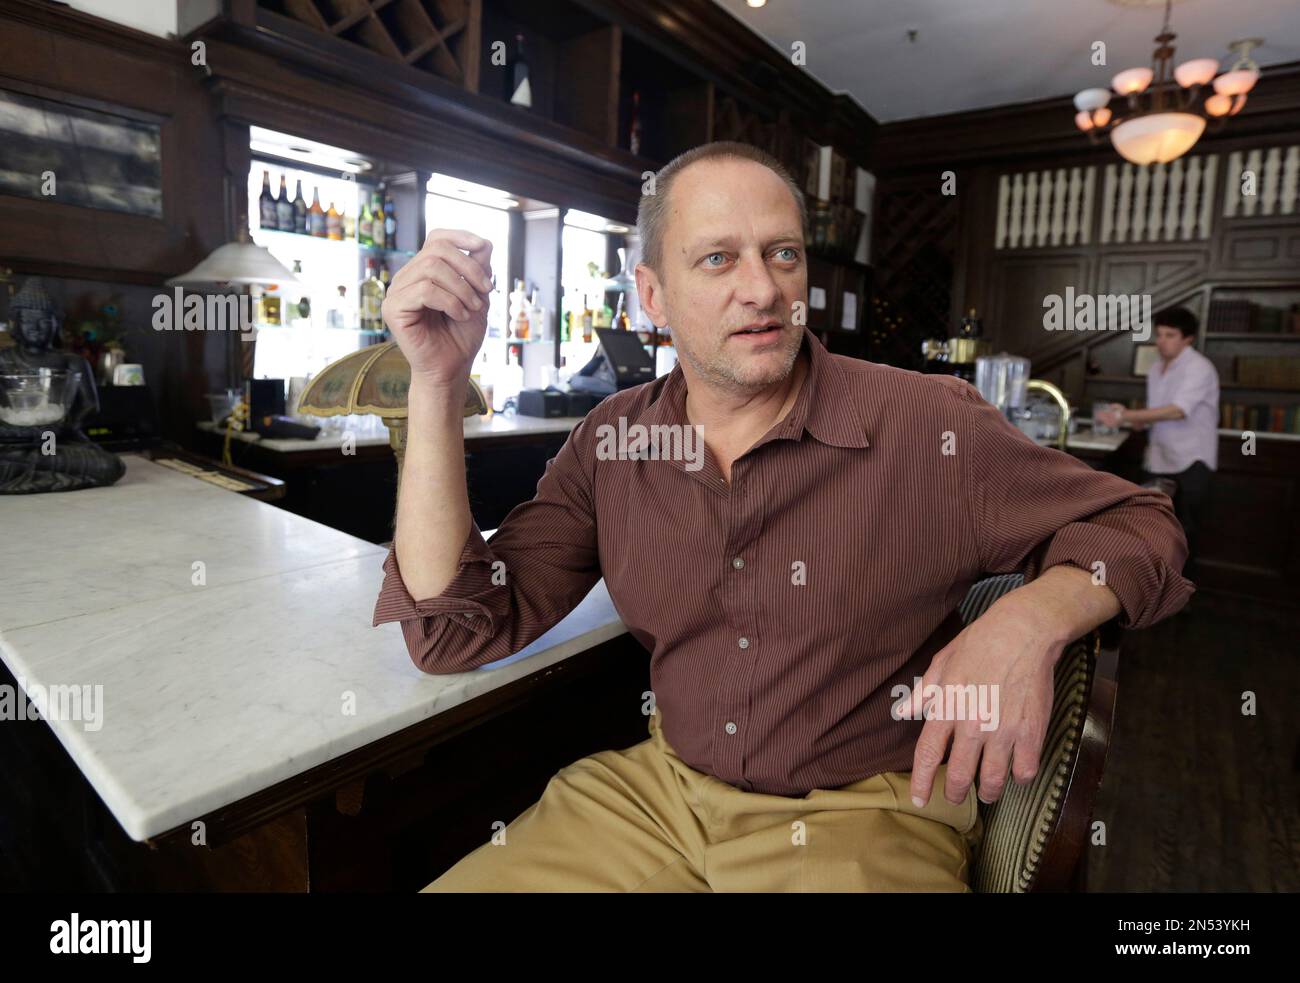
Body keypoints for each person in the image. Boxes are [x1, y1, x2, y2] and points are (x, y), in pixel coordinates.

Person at [373, 141, 1193, 892]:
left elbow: (1143, 522)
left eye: (783, 254)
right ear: (652, 294)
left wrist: (1031, 616)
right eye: (719, 258)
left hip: (866, 816)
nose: (762, 288)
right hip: (657, 797)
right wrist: (438, 383)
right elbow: (455, 631)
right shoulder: (612, 440)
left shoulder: (926, 422)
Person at [1096, 306, 1219, 572]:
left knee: (1184, 530)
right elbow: (1157, 412)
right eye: (1159, 334)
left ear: (1188, 339)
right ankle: (1155, 587)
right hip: (1158, 456)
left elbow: (1177, 410)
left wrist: (1126, 415)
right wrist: (1132, 418)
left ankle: (1182, 596)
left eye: (1170, 335)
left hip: (1191, 459)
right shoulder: (1156, 369)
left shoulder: (1199, 368)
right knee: (1153, 524)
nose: (1161, 341)